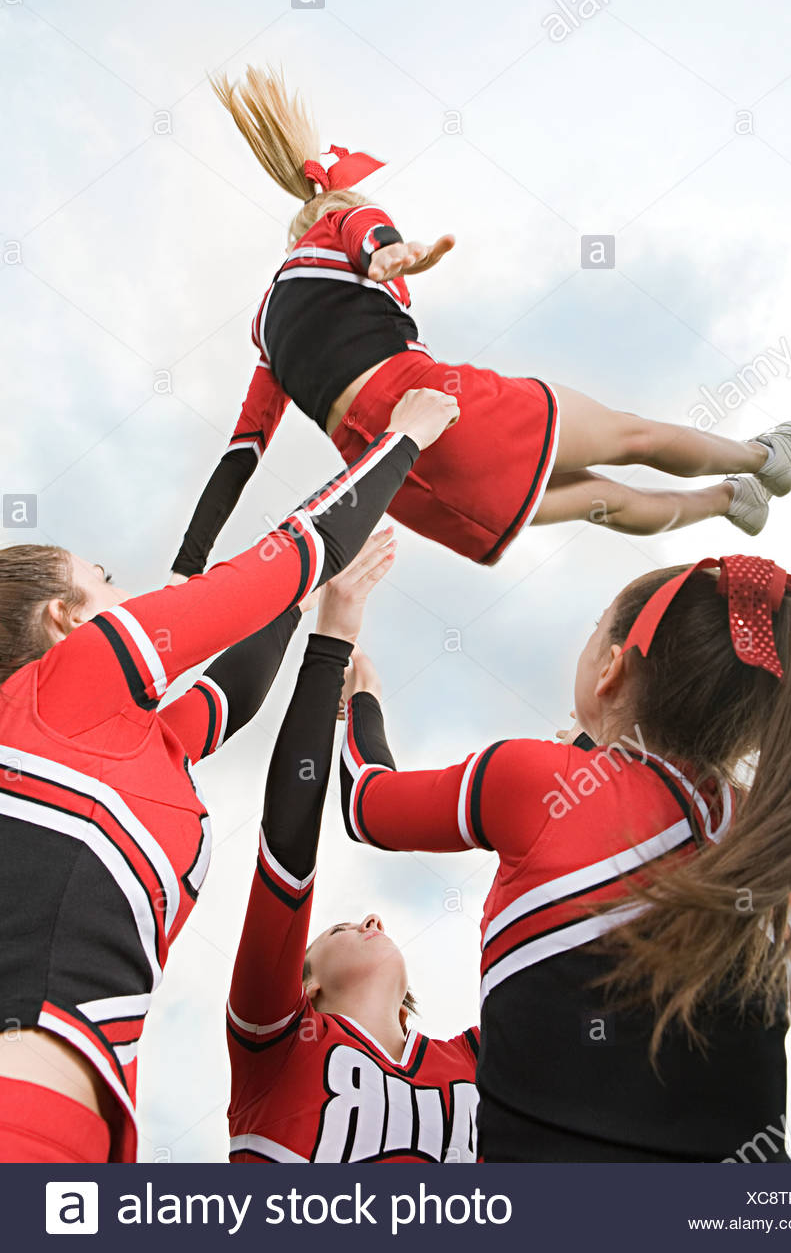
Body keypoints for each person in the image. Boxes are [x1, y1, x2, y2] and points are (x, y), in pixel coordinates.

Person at [0, 389, 457, 1163]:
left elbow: (231, 695)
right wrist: (408, 434)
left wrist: (328, 624)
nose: (128, 592)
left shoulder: (122, 744)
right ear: (66, 621)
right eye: (105, 577)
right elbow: (286, 555)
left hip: (82, 1137)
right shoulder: (64, 685)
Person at [168, 65, 791, 583]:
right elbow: (369, 236)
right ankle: (762, 458)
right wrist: (392, 250)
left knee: (598, 501)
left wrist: (187, 566)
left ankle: (731, 502)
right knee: (631, 436)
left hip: (401, 480)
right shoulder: (339, 227)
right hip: (441, 411)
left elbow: (239, 455)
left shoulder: (264, 326)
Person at [337, 553, 791, 1161]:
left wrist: (361, 694)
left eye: (596, 626)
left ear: (610, 669)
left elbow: (365, 803)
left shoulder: (532, 779)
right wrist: (597, 759)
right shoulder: (765, 844)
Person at [227, 533, 479, 1164]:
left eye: (350, 920)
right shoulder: (277, 1047)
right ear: (303, 987)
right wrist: (332, 642)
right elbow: (286, 845)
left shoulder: (478, 1061)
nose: (372, 918)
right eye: (338, 926)